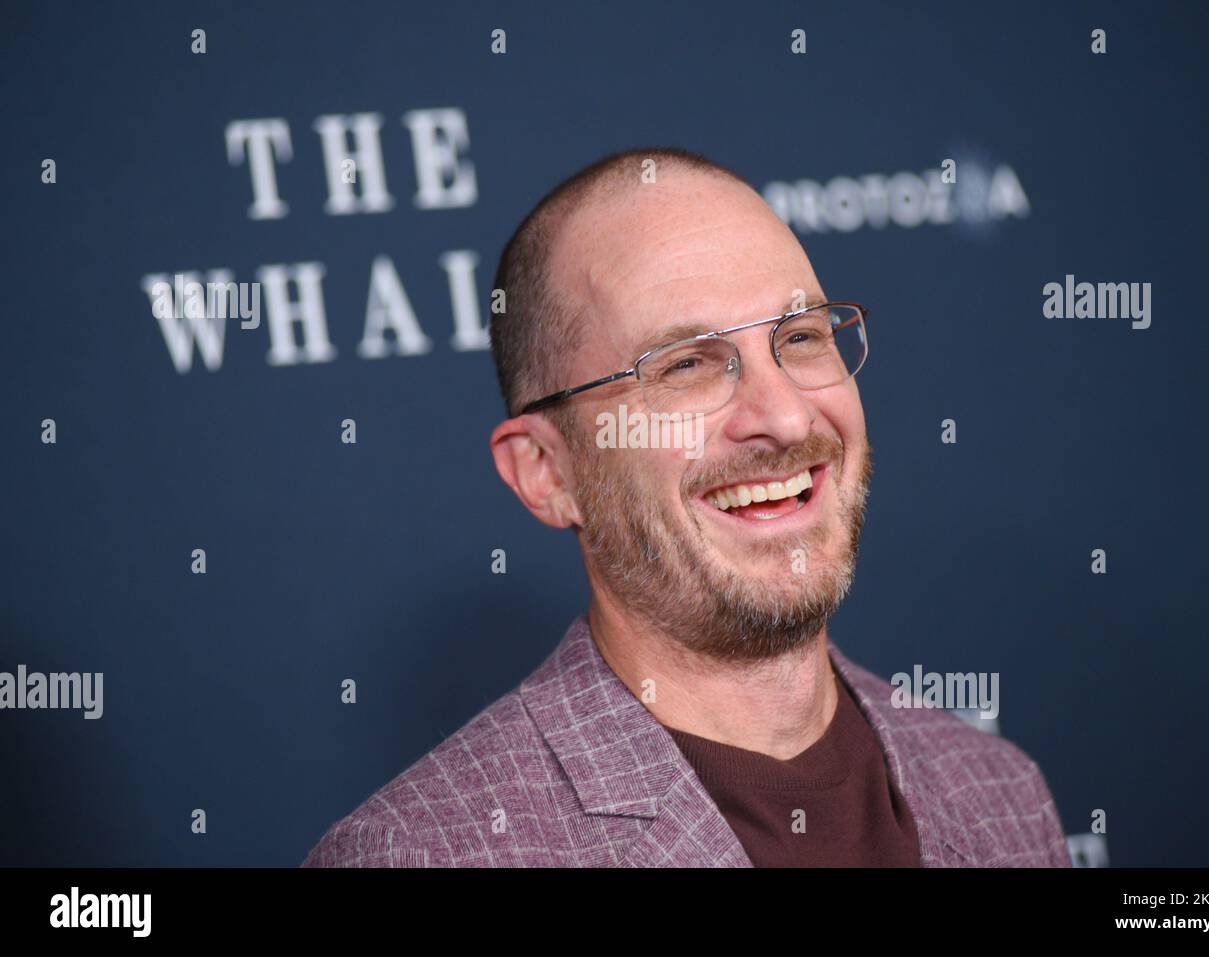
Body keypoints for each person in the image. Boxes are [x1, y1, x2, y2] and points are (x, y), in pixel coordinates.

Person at [302, 147, 1071, 867]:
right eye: (688, 365)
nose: (788, 417)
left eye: (800, 336)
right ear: (546, 471)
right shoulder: (426, 850)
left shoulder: (1001, 792)